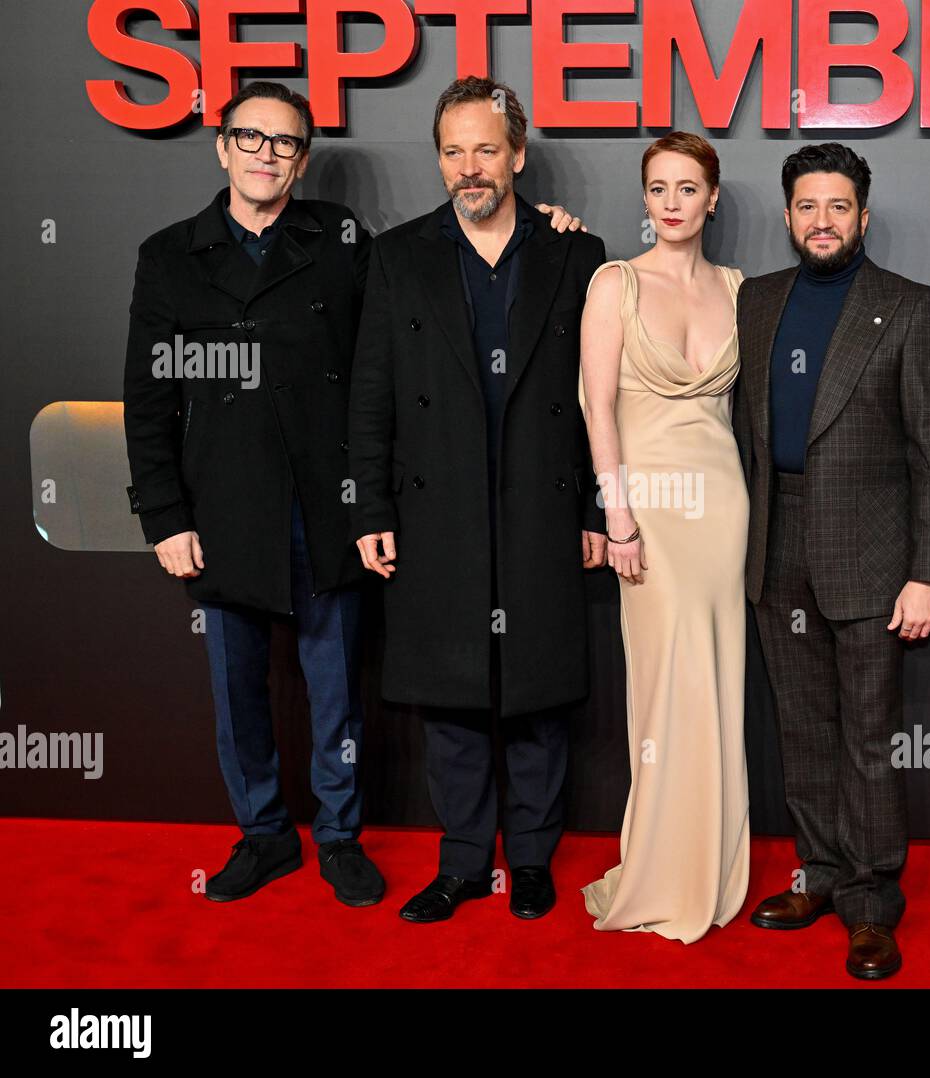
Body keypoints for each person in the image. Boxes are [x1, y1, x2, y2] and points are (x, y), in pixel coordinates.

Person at [122, 80, 582, 911]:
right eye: (251, 138)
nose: (267, 154)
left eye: (286, 143)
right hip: (223, 509)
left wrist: (363, 504)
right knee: (238, 693)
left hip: (324, 509)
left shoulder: (344, 243)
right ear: (222, 146)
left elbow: (389, 369)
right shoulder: (169, 255)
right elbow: (150, 396)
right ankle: (263, 834)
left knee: (336, 690)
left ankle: (338, 840)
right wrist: (163, 514)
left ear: (303, 158)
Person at [348, 76, 608, 924]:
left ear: (518, 155)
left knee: (535, 691)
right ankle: (462, 862)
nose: (470, 167)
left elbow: (610, 401)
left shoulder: (577, 254)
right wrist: (370, 510)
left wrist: (598, 514)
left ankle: (530, 861)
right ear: (439, 161)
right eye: (454, 151)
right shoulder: (396, 256)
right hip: (435, 511)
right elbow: (371, 393)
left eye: (486, 149)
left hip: (541, 504)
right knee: (452, 693)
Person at [732, 143, 930, 979]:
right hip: (775, 543)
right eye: (806, 207)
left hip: (871, 555)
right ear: (788, 215)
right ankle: (820, 876)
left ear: (863, 216)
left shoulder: (909, 307)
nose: (821, 221)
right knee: (803, 729)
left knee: (868, 738)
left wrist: (927, 570)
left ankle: (871, 902)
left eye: (838, 207)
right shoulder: (757, 302)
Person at [578, 132, 750, 943]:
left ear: (712, 198)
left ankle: (711, 863)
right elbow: (596, 407)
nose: (672, 202)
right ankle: (657, 866)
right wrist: (616, 516)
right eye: (657, 189)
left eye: (687, 188)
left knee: (718, 682)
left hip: (723, 507)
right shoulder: (615, 283)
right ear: (644, 199)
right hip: (646, 507)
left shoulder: (742, 289)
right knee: (661, 688)